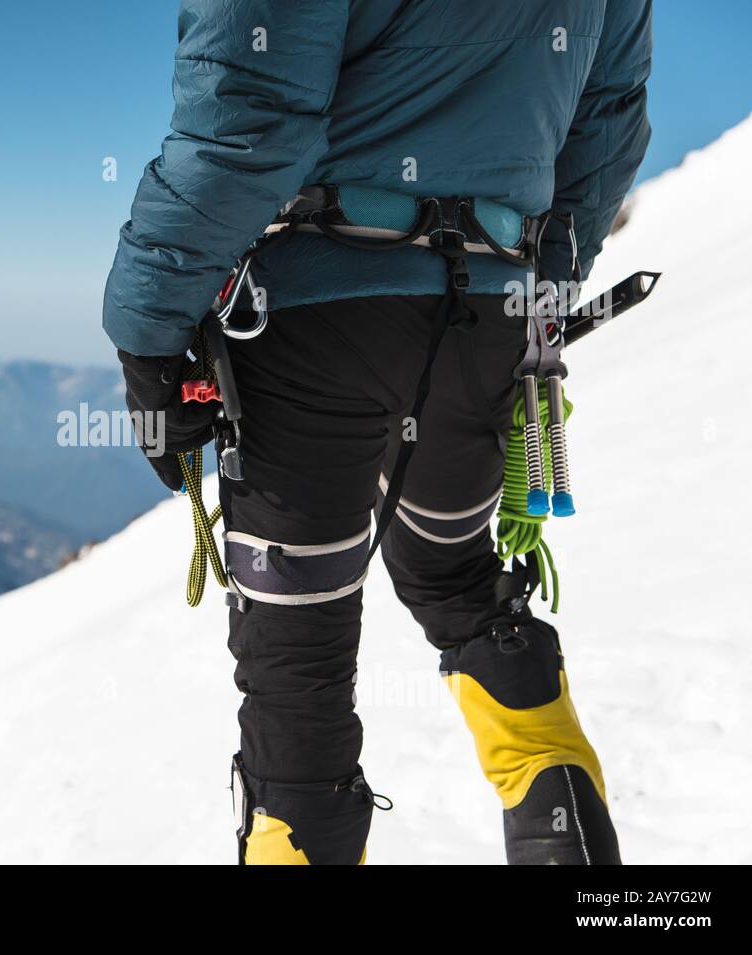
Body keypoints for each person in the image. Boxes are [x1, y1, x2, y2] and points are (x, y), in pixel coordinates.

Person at [105, 0, 651, 865]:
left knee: (298, 684)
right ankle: (562, 824)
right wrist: (535, 294)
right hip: (487, 312)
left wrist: (146, 331)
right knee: (461, 581)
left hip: (316, 325)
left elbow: (247, 111)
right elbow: (606, 120)